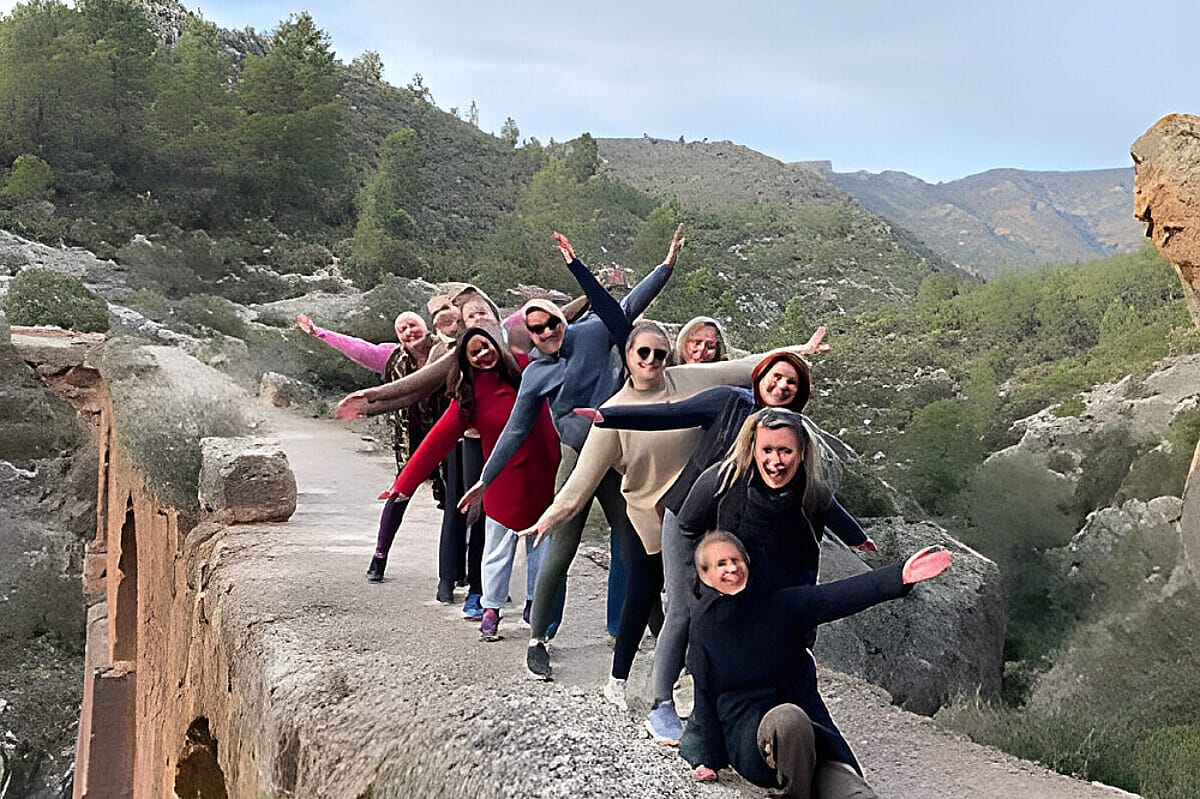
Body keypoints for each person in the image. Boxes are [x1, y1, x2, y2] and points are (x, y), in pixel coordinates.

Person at [518, 324, 831, 701]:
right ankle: (617, 680)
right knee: (644, 589)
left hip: (700, 507)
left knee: (689, 597)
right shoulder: (613, 412)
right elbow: (579, 486)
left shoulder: (685, 380)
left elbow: (750, 366)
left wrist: (802, 348)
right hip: (647, 512)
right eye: (643, 353)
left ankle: (688, 673)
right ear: (629, 358)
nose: (652, 360)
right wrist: (547, 519)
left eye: (659, 354)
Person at [584, 355, 871, 742]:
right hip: (689, 517)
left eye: (792, 383)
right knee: (686, 611)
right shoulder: (729, 402)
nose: (782, 386)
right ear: (760, 378)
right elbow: (671, 413)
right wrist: (611, 418)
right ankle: (661, 705)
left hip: (732, 532)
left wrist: (853, 534)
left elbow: (816, 491)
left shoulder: (792, 433)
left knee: (738, 613)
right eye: (777, 376)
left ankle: (737, 706)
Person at [459, 229, 684, 673]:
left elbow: (628, 305)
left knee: (636, 545)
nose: (546, 332)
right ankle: (539, 638)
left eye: (551, 323)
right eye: (536, 328)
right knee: (559, 549)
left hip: (618, 458)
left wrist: (666, 266)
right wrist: (487, 477)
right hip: (575, 459)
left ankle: (652, 633)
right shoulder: (537, 374)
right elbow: (514, 430)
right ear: (530, 335)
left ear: (563, 322)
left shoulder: (593, 333)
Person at [682, 531, 951, 797]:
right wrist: (706, 757)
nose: (730, 568)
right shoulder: (706, 629)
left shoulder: (781, 605)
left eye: (735, 560)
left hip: (813, 735)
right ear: (705, 575)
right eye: (720, 564)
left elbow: (835, 596)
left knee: (858, 794)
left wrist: (898, 576)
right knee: (788, 719)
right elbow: (704, 697)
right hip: (756, 745)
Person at [376, 323, 562, 640]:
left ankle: (536, 605)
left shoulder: (523, 368)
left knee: (540, 549)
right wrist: (403, 485)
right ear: (466, 360)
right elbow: (436, 441)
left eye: (486, 346)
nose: (483, 354)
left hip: (544, 474)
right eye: (474, 352)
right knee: (496, 550)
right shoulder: (469, 396)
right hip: (501, 480)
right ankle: (491, 610)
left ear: (496, 344)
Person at [294, 309, 444, 580]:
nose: (409, 331)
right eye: (402, 329)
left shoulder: (447, 350)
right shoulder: (392, 357)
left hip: (449, 438)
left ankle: (458, 569)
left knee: (455, 500)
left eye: (413, 324)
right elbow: (359, 349)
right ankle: (379, 558)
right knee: (399, 494)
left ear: (425, 325)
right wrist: (320, 332)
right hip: (411, 440)